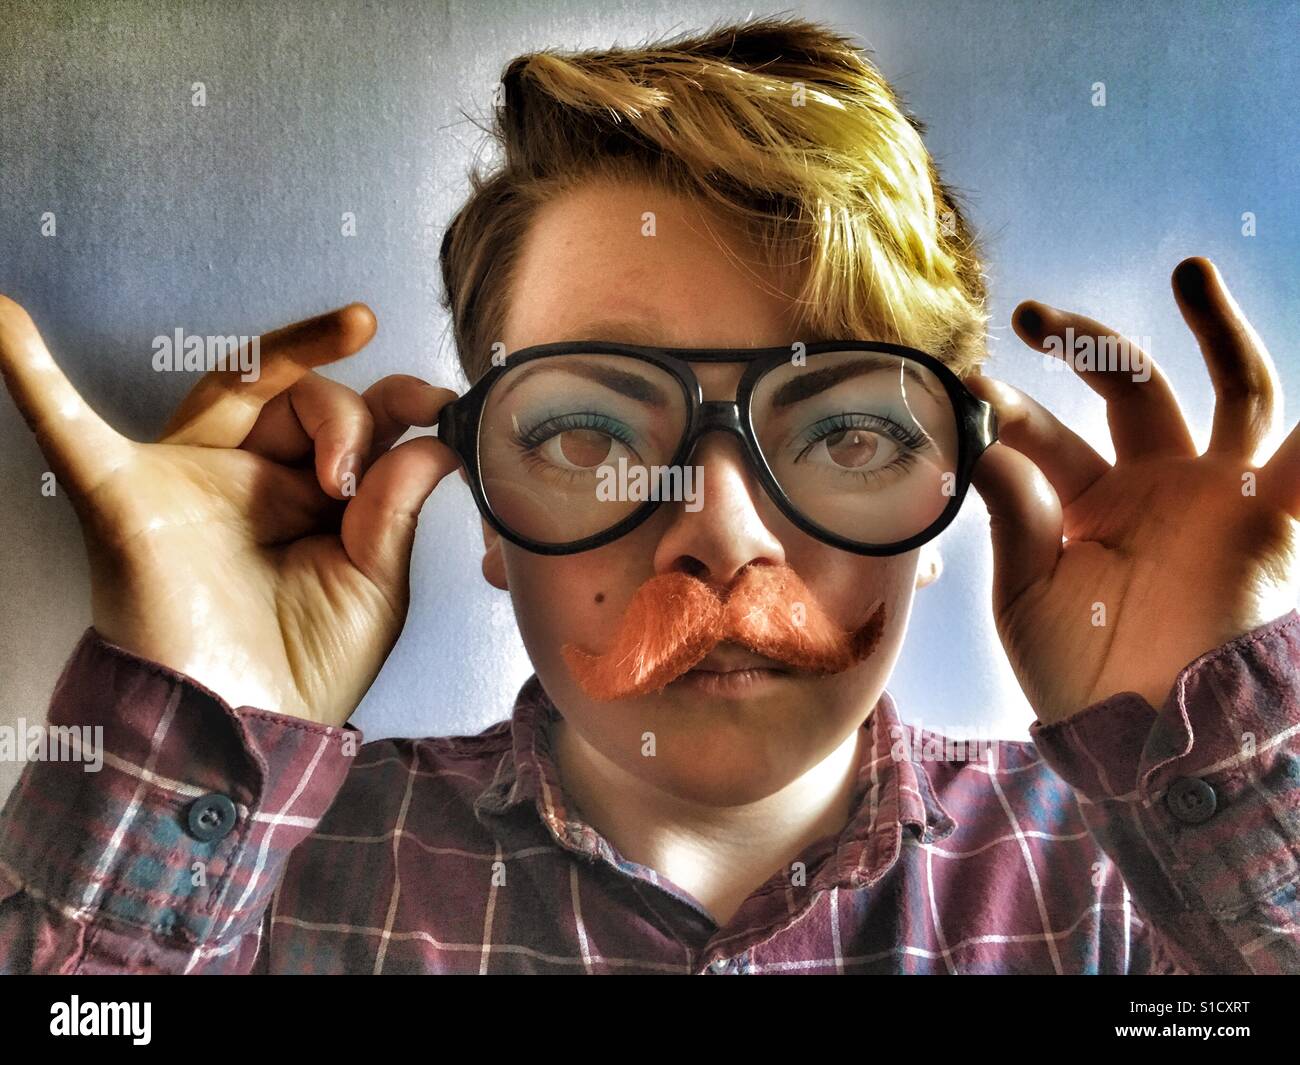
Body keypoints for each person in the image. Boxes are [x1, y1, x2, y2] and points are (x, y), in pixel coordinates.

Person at [0, 15, 1297, 975]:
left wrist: (1230, 763)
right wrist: (191, 735)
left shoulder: (1141, 887)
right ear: (486, 505)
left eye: (844, 429)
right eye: (585, 432)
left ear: (952, 489)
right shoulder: (258, 870)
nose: (721, 535)